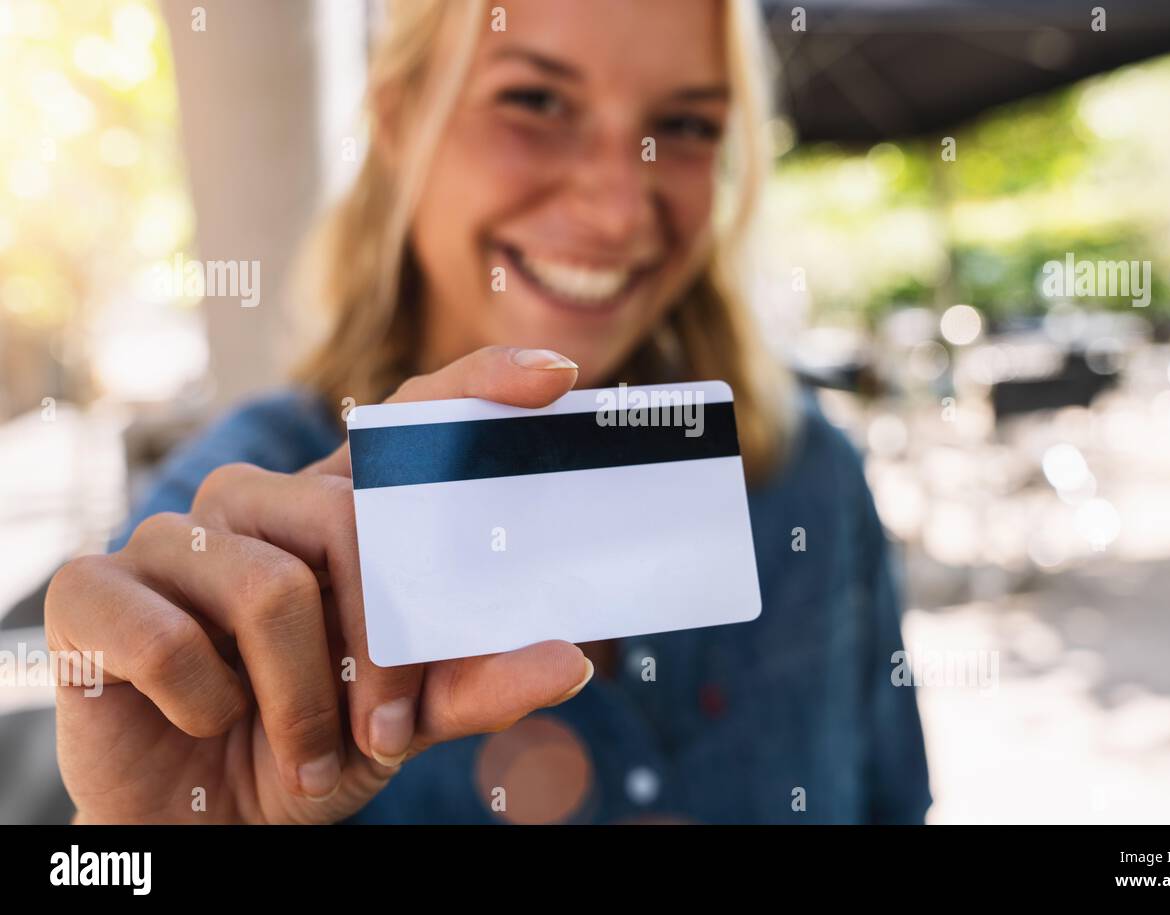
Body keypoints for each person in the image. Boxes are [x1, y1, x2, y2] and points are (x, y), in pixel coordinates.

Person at [46, 0, 929, 824]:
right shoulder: (220, 536)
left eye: (687, 125)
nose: (621, 209)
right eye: (537, 100)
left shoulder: (808, 476)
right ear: (399, 124)